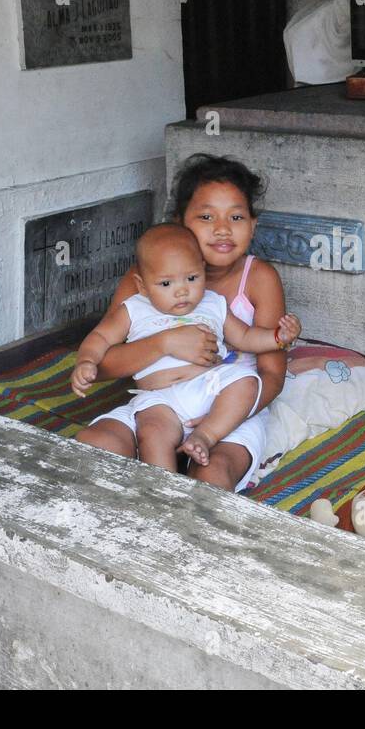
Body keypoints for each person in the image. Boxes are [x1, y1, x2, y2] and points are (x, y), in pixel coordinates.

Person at [78, 154, 291, 491]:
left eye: (236, 216)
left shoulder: (259, 278)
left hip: (231, 405)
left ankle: (176, 488)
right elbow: (101, 367)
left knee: (212, 476)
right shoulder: (145, 279)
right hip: (157, 402)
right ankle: (157, 489)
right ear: (180, 222)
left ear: (253, 225)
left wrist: (216, 423)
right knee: (93, 446)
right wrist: (165, 343)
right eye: (206, 216)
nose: (222, 228)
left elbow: (272, 376)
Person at [72, 223, 299, 471]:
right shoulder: (134, 309)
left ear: (202, 270)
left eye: (191, 278)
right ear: (142, 285)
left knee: (247, 382)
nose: (181, 291)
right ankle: (163, 487)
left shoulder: (213, 303)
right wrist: (87, 361)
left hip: (209, 389)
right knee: (153, 432)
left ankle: (205, 436)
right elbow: (101, 337)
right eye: (166, 284)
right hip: (160, 398)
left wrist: (278, 337)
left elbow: (245, 337)